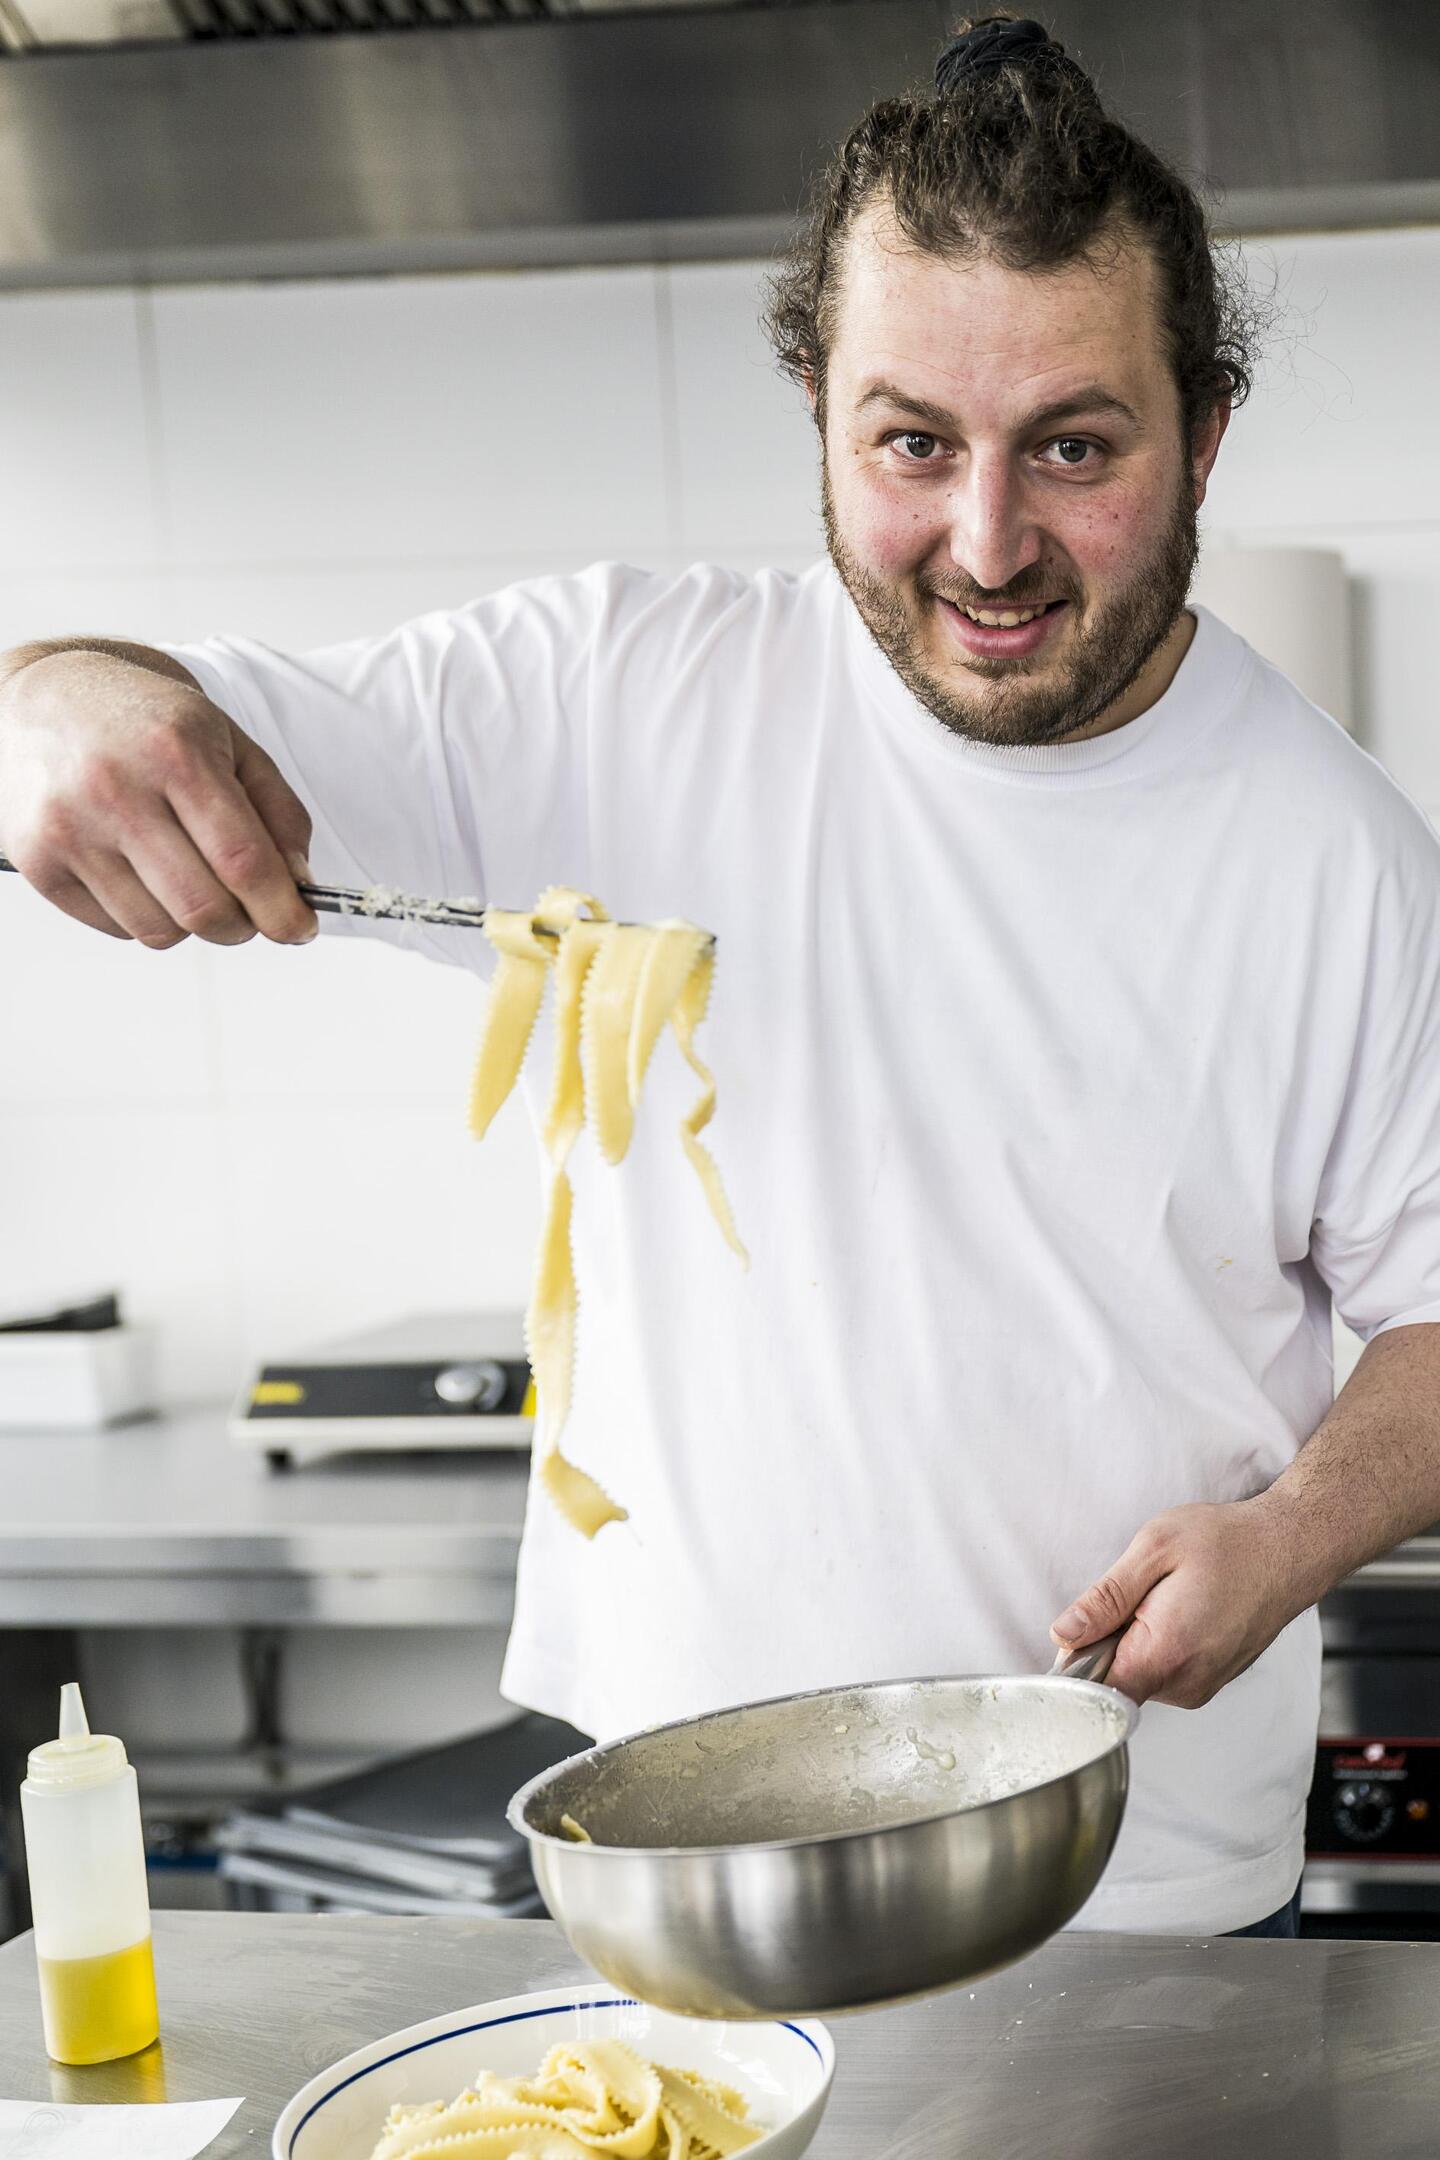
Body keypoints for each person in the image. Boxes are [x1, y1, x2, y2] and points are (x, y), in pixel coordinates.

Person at [2, 13, 1438, 1942]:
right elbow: (168, 719)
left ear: (1205, 435)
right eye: (912, 444)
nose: (987, 543)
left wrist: (1287, 1538)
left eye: (1075, 448)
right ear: (823, 416)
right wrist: (54, 702)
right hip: (679, 1886)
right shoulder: (614, 696)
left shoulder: (1334, 856)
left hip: (1141, 1897)